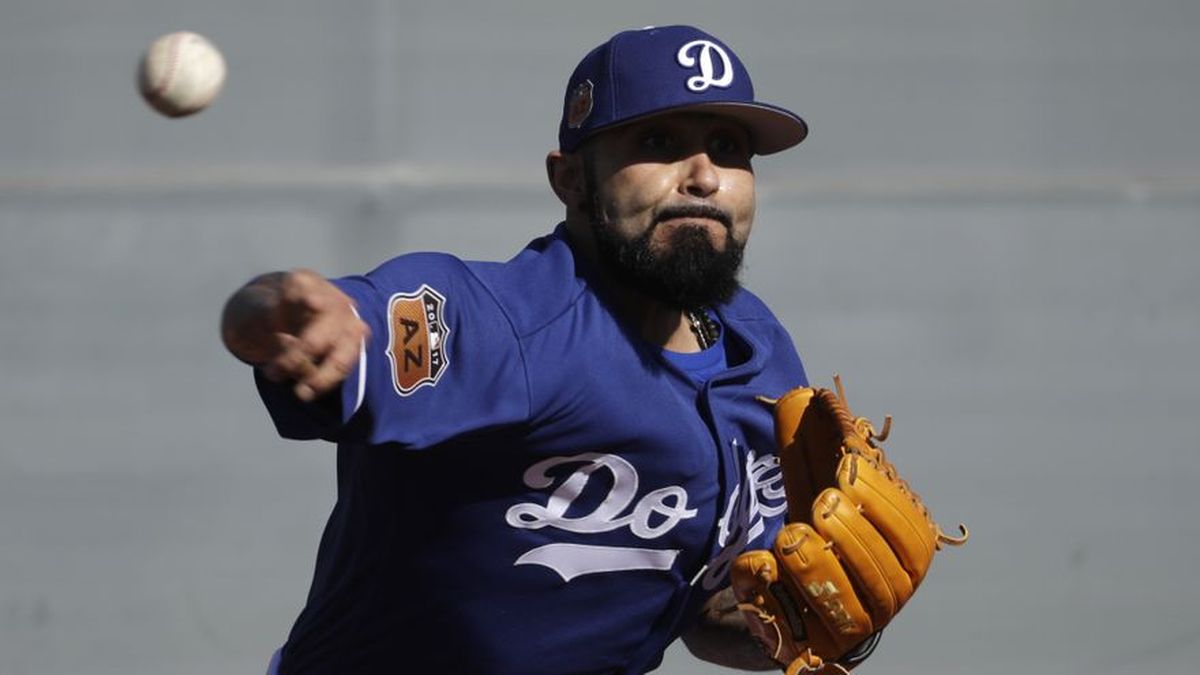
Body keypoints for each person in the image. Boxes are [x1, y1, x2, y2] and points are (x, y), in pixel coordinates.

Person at [223, 24, 861, 674]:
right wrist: (284, 310)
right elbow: (331, 325)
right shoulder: (508, 323)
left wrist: (828, 624)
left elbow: (707, 616)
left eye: (728, 148)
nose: (702, 176)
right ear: (572, 180)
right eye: (658, 142)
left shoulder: (762, 355)